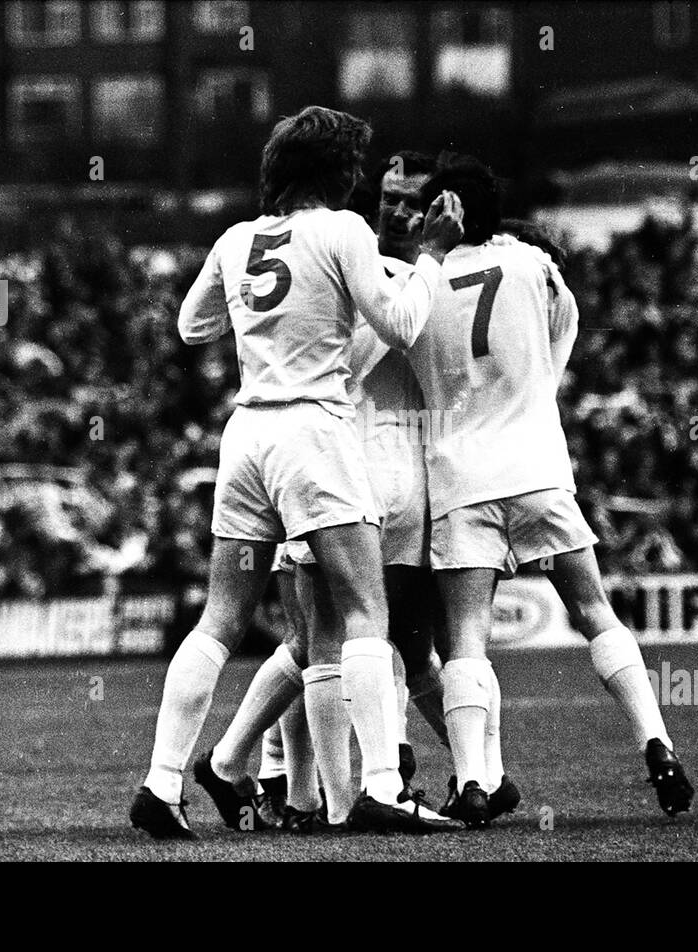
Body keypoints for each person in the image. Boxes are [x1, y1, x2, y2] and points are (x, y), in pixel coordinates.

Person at [129, 107, 465, 838]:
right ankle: (381, 785)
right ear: (335, 172)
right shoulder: (342, 230)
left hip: (246, 434)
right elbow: (403, 324)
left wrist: (260, 319)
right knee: (364, 610)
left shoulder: (236, 238)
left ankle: (160, 783)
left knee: (222, 618)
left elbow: (192, 326)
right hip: (314, 430)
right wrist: (433, 257)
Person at [403, 156, 695, 827]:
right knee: (594, 610)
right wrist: (535, 387)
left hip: (459, 476)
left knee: (467, 638)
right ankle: (658, 741)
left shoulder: (419, 282)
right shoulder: (533, 265)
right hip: (537, 465)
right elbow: (566, 325)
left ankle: (473, 780)